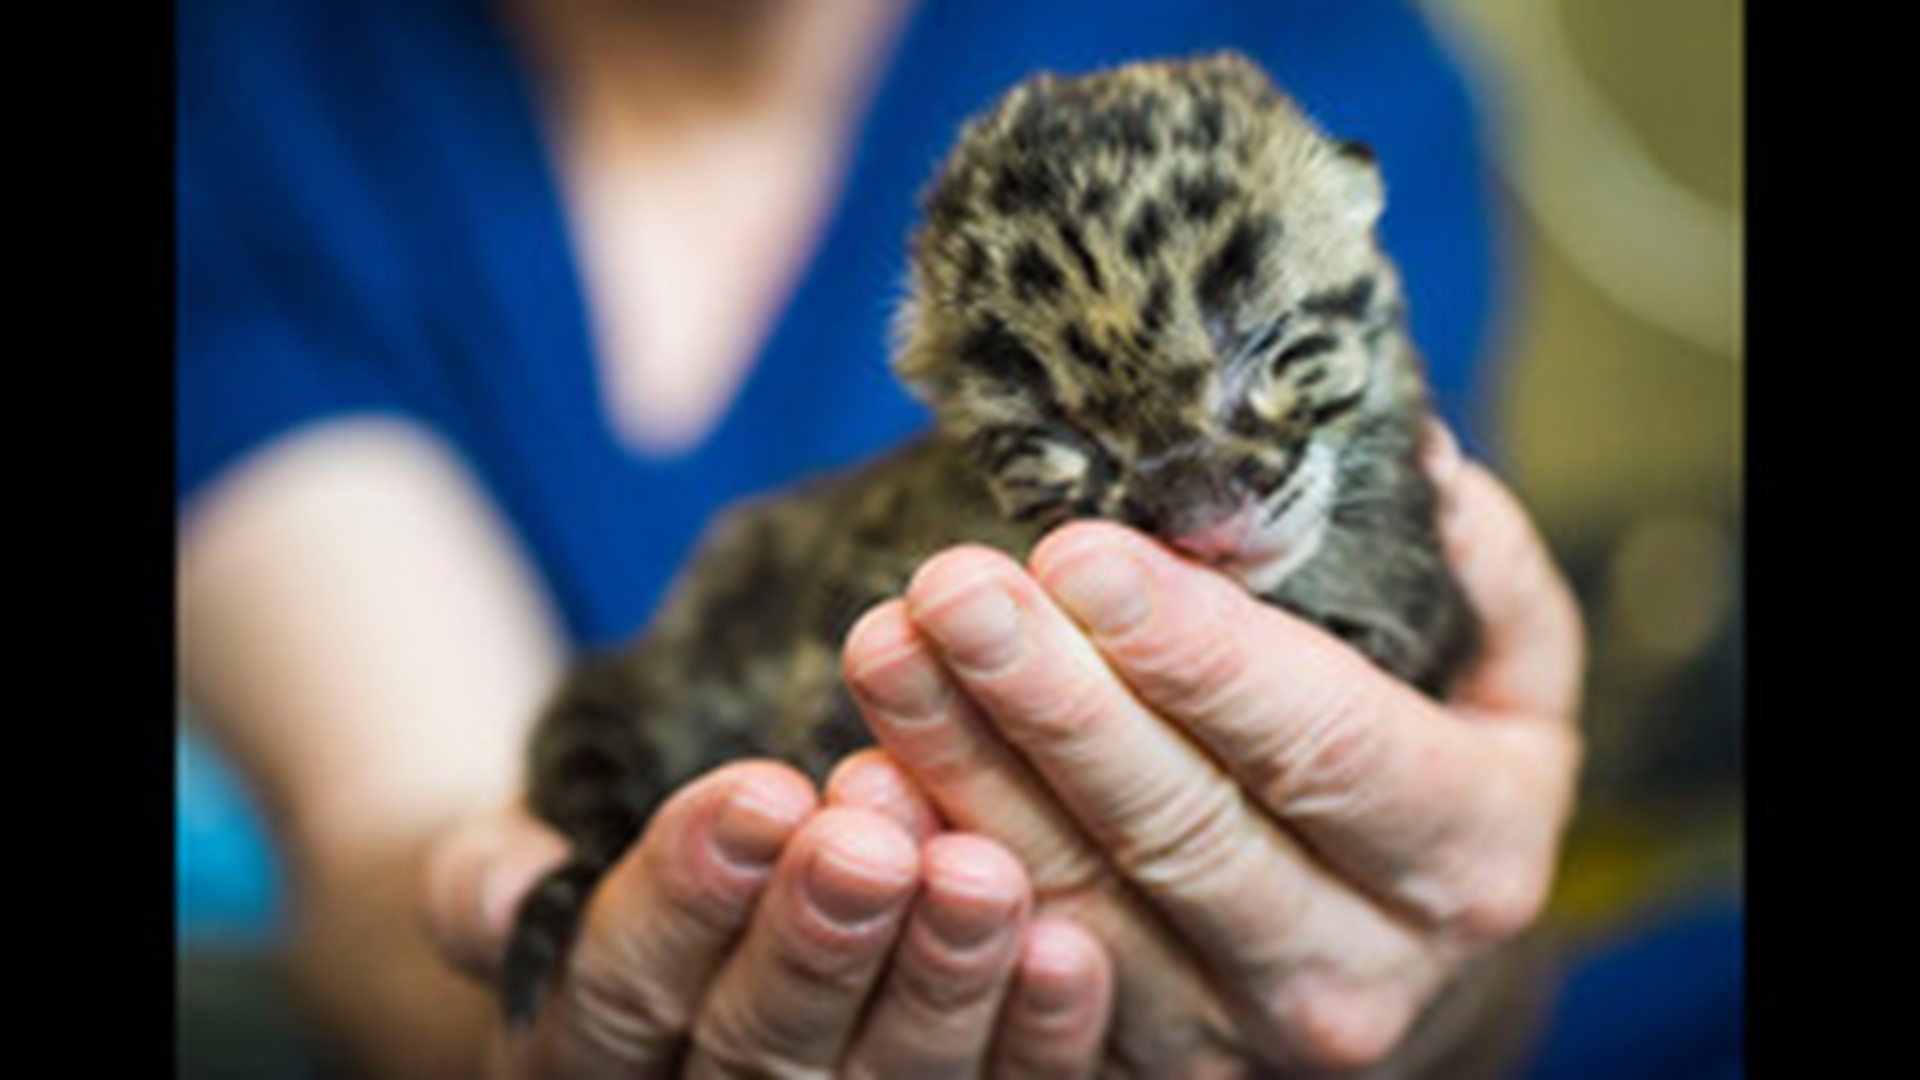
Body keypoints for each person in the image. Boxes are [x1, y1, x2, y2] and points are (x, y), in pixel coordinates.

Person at [177, 0, 1580, 1074]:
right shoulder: (245, 103)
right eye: (1076, 435)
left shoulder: (1319, 48)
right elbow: (403, 818)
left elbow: (1444, 796)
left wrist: (1427, 967)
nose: (1205, 520)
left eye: (1263, 369)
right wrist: (511, 986)